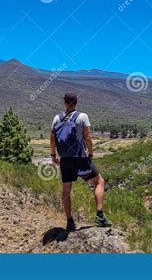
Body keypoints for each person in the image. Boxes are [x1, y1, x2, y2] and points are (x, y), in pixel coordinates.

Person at [50, 93, 112, 232]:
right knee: (99, 182)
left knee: (66, 190)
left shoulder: (56, 118)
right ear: (76, 103)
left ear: (64, 102)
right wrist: (90, 153)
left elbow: (52, 138)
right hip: (80, 158)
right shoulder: (82, 117)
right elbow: (88, 137)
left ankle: (69, 222)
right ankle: (100, 216)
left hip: (65, 158)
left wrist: (53, 155)